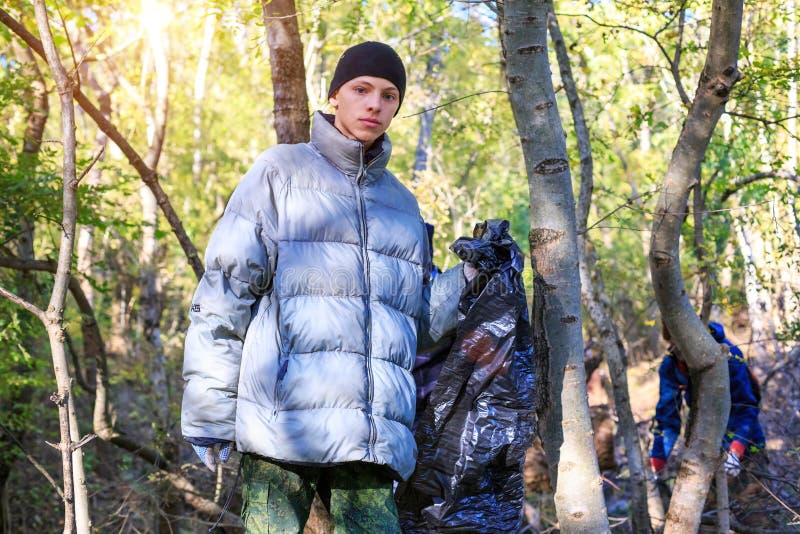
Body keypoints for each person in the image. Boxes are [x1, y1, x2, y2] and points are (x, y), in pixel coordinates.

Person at [180, 41, 467, 532]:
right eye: (362, 89)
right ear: (336, 95)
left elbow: (415, 329)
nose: (375, 104)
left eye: (389, 95)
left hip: (368, 437)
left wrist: (472, 278)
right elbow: (225, 296)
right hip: (280, 427)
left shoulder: (404, 206)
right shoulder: (279, 173)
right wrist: (209, 413)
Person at [650, 321, 765, 479]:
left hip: (745, 443)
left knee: (753, 500)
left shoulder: (727, 355)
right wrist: (658, 458)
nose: (680, 350)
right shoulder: (671, 365)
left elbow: (745, 407)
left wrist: (736, 449)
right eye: (674, 343)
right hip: (705, 450)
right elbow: (667, 417)